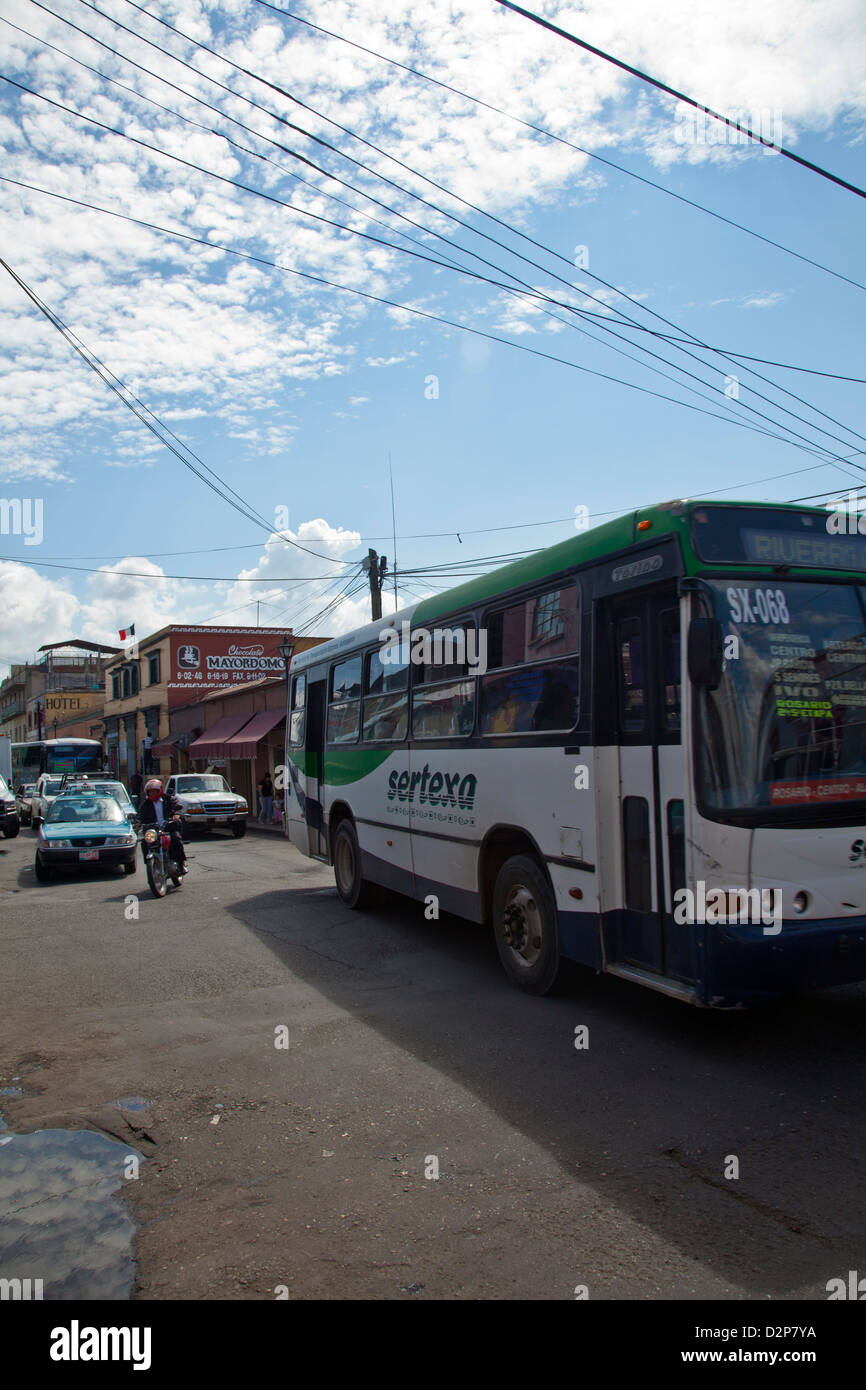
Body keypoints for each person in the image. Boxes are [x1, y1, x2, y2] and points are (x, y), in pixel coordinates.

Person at [137, 777, 187, 874]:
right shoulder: (146, 804)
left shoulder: (169, 799)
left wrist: (176, 814)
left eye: (154, 791)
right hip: (153, 830)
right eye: (150, 792)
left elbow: (178, 807)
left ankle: (181, 864)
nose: (152, 794)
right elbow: (140, 815)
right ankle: (149, 864)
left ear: (159, 790)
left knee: (176, 839)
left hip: (168, 827)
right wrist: (138, 822)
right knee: (144, 842)